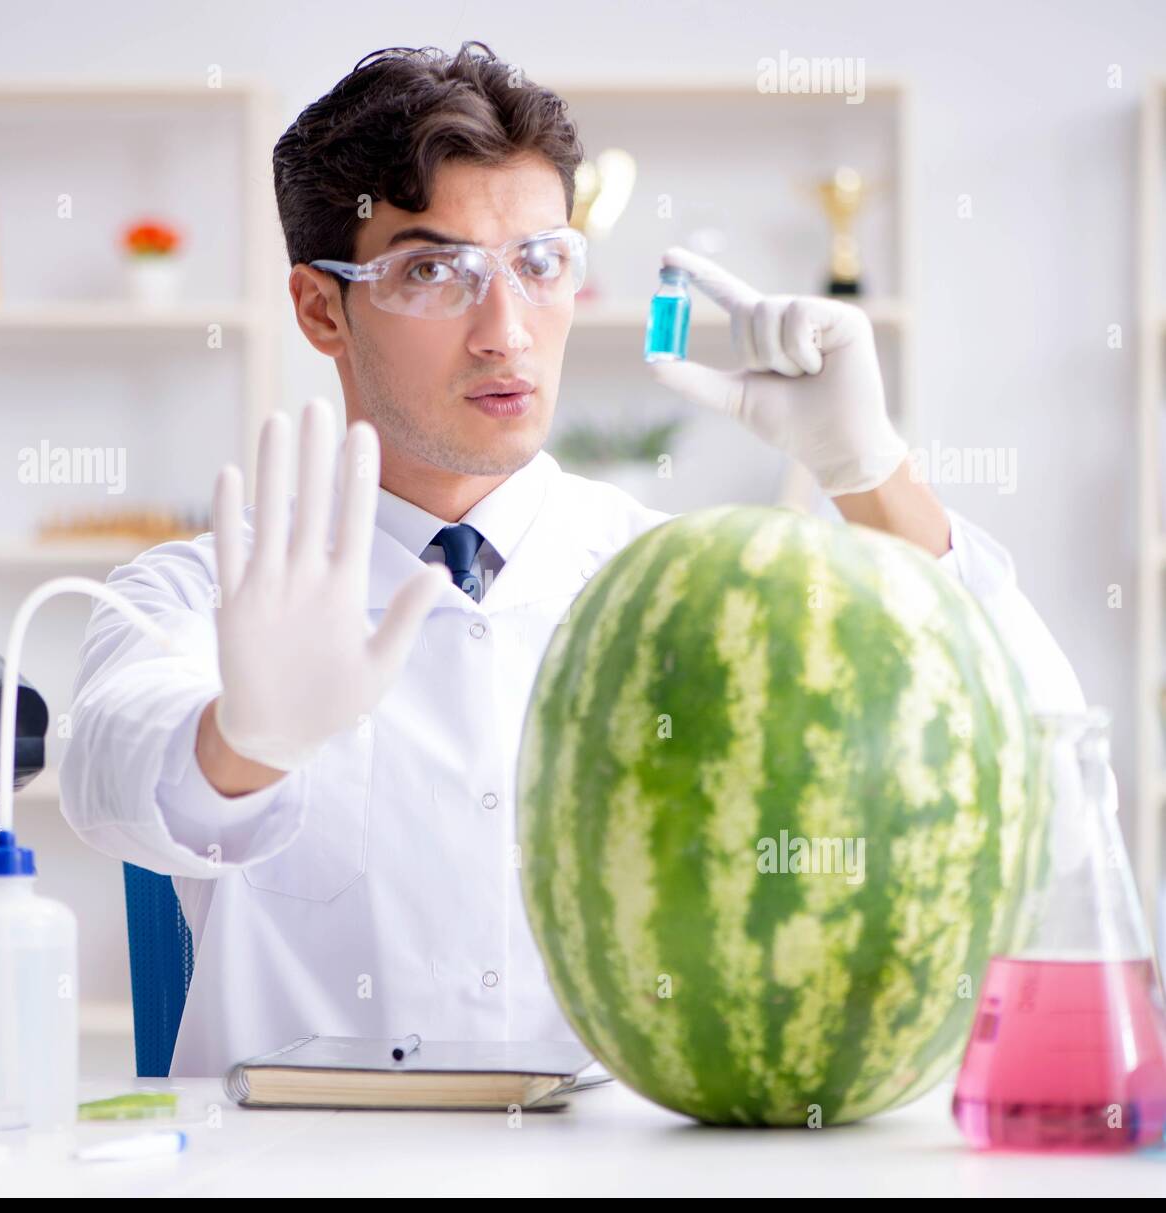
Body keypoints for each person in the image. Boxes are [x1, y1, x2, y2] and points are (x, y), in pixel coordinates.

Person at [59, 42, 1083, 1077]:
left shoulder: (686, 582)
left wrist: (872, 474)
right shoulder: (206, 587)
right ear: (323, 308)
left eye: (539, 264)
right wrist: (246, 740)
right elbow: (109, 775)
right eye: (432, 271)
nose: (506, 333)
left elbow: (1049, 772)